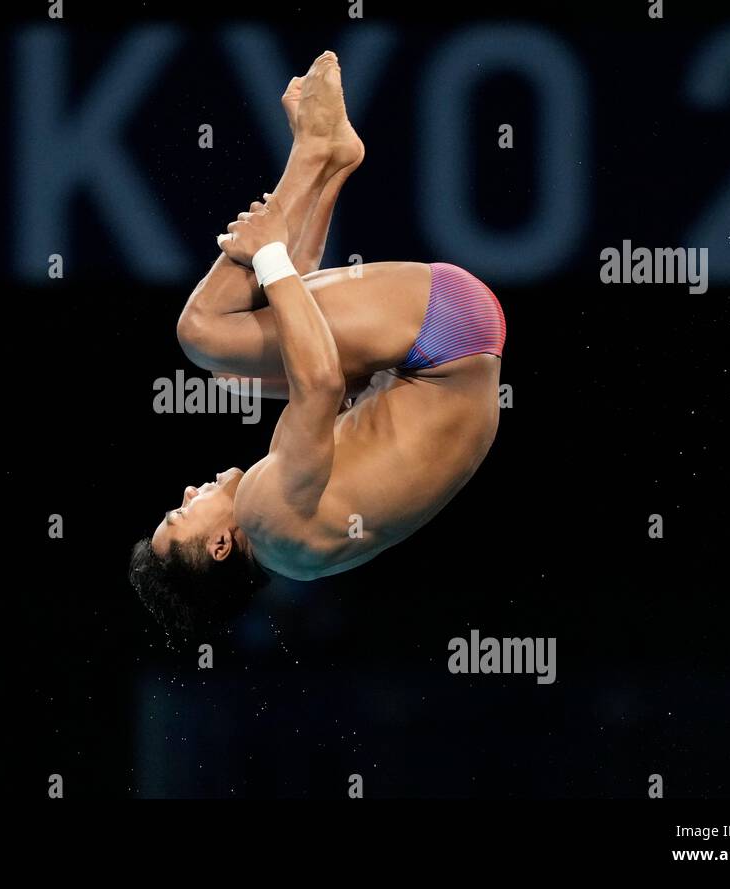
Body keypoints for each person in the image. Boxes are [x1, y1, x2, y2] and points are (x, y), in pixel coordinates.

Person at [130, 51, 505, 641]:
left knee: (238, 368)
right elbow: (323, 381)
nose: (187, 492)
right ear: (220, 545)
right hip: (443, 333)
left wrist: (278, 256)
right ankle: (313, 154)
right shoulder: (264, 514)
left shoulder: (298, 556)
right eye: (181, 513)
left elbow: (305, 337)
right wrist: (267, 252)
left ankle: (328, 163)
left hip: (457, 341)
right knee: (203, 332)